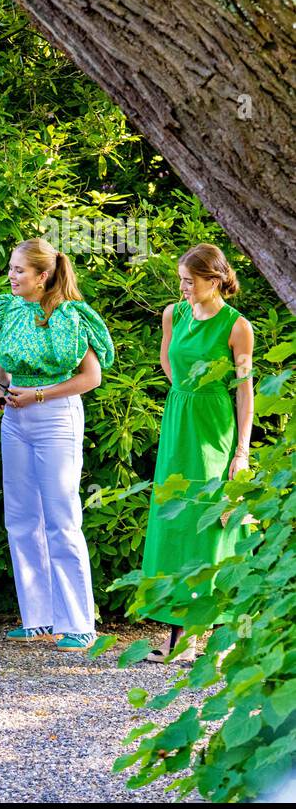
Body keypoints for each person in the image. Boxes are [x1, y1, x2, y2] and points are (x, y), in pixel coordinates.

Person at [0, 237, 114, 652]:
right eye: (11, 268)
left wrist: (39, 394)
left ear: (43, 275)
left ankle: (79, 622)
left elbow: (91, 377)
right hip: (14, 418)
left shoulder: (69, 316)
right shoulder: (10, 310)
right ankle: (38, 617)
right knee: (20, 516)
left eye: (19, 270)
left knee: (61, 517)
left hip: (55, 418)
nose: (11, 276)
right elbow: (3, 362)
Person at [141, 243, 253, 663]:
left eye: (190, 280)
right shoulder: (175, 313)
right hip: (178, 421)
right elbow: (167, 358)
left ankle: (213, 639)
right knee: (175, 520)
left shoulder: (236, 326)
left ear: (215, 279)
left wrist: (240, 452)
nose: (183, 287)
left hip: (213, 424)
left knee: (209, 523)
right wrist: (184, 390)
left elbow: (245, 392)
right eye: (181, 280)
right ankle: (178, 636)